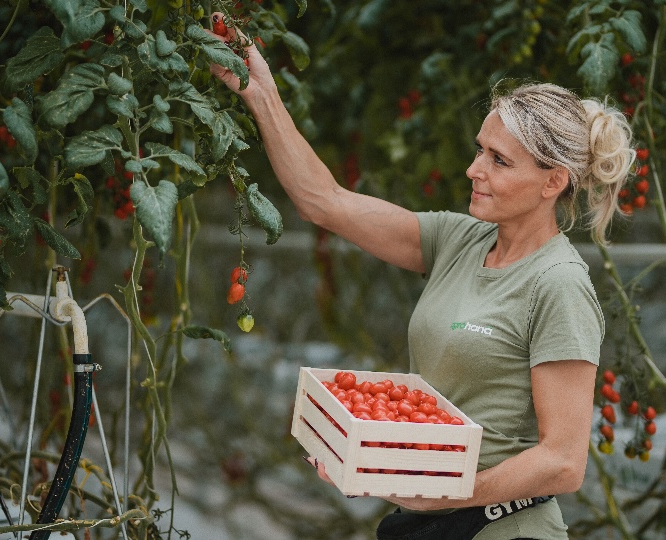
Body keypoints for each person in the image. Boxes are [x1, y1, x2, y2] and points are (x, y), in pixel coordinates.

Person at [209, 16, 636, 540]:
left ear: (554, 181)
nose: (474, 169)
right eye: (481, 149)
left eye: (499, 160)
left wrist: (445, 490)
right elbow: (327, 202)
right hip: (426, 525)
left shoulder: (559, 284)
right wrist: (259, 91)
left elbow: (564, 462)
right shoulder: (459, 241)